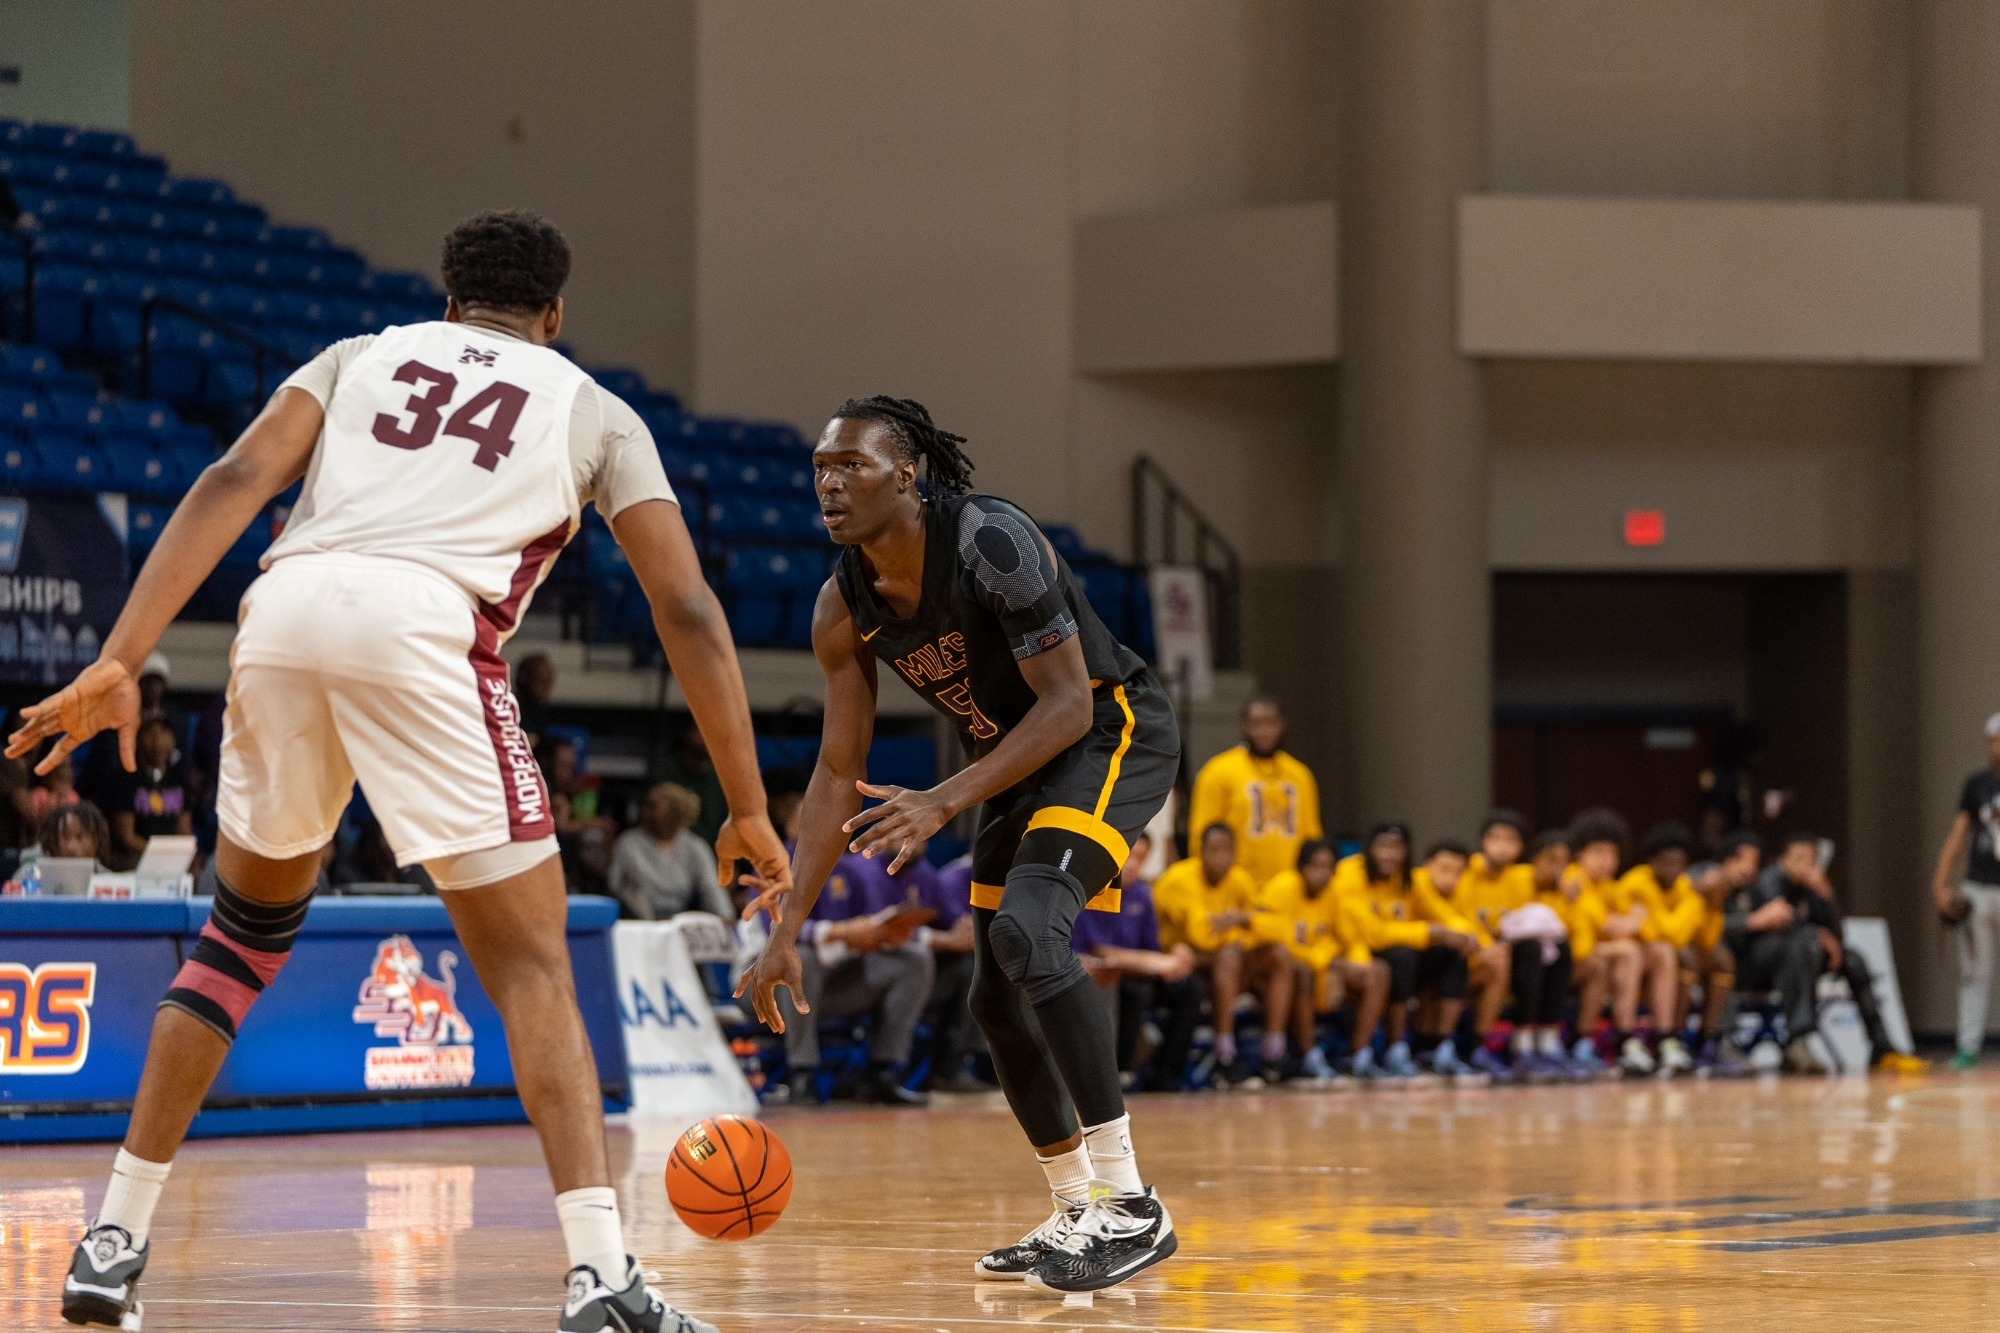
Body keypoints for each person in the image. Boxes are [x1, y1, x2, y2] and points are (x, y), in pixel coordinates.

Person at [10, 210, 789, 1333]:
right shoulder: (597, 410)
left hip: (283, 609)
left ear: (447, 297)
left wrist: (123, 654)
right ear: (555, 314)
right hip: (426, 623)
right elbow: (686, 610)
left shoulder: (360, 355)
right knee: (529, 969)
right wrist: (749, 805)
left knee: (237, 941)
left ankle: (113, 1240)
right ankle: (601, 1277)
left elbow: (234, 476)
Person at [735, 395, 1182, 1294]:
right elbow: (835, 775)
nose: (828, 482)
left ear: (908, 474)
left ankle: (1133, 1204)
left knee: (1030, 934)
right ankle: (1071, 1207)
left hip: (1109, 734)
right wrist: (786, 929)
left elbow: (1069, 706)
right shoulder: (842, 602)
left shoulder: (992, 542)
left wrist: (940, 801)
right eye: (821, 467)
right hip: (1011, 770)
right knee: (993, 998)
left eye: (849, 465)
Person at [771, 849, 936, 1106]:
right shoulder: (774, 861)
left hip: (833, 981)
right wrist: (842, 932)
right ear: (790, 821)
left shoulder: (848, 871)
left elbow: (870, 923)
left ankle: (881, 1073)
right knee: (801, 956)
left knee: (915, 960)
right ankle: (801, 1073)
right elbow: (777, 929)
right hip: (765, 984)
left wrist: (879, 934)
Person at [1154, 823, 1293, 1086]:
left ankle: (1273, 1053)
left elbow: (1277, 929)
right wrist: (1242, 929)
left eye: (1228, 851)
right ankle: (1224, 1054)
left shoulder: (1239, 879)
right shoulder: (1179, 879)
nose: (1222, 858)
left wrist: (1240, 920)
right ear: (1200, 851)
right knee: (1229, 954)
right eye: (1215, 850)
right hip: (1182, 968)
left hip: (1227, 965)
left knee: (1280, 955)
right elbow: (1200, 936)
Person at [1336, 822, 1476, 1078]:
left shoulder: (1409, 878)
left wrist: (1466, 935)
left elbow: (1442, 914)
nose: (1390, 854)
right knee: (1402, 956)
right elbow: (1373, 934)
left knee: (1452, 954)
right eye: (1383, 846)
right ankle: (1394, 1049)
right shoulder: (1350, 873)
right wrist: (1429, 932)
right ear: (1370, 848)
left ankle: (1439, 1046)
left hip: (1404, 954)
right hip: (1359, 955)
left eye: (1397, 848)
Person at [1754, 833, 1902, 1072]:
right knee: (1804, 948)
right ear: (1783, 859)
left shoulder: (1811, 887)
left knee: (1853, 960)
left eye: (1811, 860)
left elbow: (1838, 935)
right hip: (1768, 960)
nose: (1806, 866)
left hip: (1806, 956)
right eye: (1799, 858)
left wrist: (1827, 895)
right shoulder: (1769, 882)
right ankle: (1798, 1040)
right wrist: (1817, 935)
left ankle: (1880, 1045)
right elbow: (1780, 924)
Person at [1073, 832, 1199, 1092]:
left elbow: (1151, 948)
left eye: (1141, 858)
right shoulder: (1095, 889)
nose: (1133, 865)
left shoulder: (1143, 894)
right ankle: (1119, 1071)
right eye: (1129, 856)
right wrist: (1158, 963)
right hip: (1095, 975)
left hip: (1136, 972)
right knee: (1132, 992)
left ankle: (1165, 1074)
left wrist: (1175, 956)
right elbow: (1102, 952)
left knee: (1190, 989)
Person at [1259, 838, 1389, 1082]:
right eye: (1315, 866)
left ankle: (1359, 1056)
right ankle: (1308, 1056)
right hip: (1281, 971)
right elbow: (1273, 939)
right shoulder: (1283, 887)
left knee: (1377, 971)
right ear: (1301, 867)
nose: (1322, 873)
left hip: (1324, 969)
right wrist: (1329, 963)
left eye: (1328, 866)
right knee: (1303, 971)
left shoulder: (1334, 893)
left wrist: (1358, 965)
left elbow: (1350, 938)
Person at [1187, 695, 1322, 887]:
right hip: (1236, 889)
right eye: (1256, 724)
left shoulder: (1301, 775)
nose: (1264, 731)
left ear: (1283, 725)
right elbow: (1201, 838)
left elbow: (1312, 839)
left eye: (1271, 723)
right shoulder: (1217, 771)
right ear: (1244, 726)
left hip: (1289, 891)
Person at [1931, 712, 2000, 1071]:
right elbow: (1958, 837)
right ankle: (1968, 1047)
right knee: (1975, 969)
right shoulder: (1978, 785)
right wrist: (1940, 882)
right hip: (1979, 887)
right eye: (1995, 739)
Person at [1615, 822, 1706, 1077]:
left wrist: (1693, 903)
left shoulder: (1685, 886)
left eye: (1679, 863)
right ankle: (1625, 1041)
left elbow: (1674, 936)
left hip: (1652, 956)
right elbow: (1667, 932)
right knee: (1643, 952)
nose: (1674, 869)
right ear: (1652, 862)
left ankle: (1665, 1038)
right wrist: (1693, 904)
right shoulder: (1636, 883)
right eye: (1667, 862)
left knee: (1666, 953)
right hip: (1620, 955)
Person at [1499, 830, 1579, 1079]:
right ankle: (1521, 1043)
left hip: (1546, 960)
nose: (1557, 868)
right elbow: (1503, 922)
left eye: (1564, 862)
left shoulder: (1567, 890)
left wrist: (1570, 902)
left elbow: (1575, 936)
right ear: (1535, 858)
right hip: (1513, 954)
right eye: (1551, 859)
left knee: (1563, 949)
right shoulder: (1516, 878)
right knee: (1532, 949)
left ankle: (1548, 1040)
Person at [1685, 831, 1763, 1076]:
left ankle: (1711, 1040)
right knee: (1722, 959)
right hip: (1688, 949)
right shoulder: (1703, 876)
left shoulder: (1749, 889)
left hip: (1728, 955)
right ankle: (1712, 1039)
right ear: (1728, 859)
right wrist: (1749, 921)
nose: (1751, 869)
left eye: (1755, 863)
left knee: (1726, 960)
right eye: (1746, 860)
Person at [919, 852, 991, 1092]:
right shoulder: (952, 878)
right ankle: (949, 1068)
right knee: (972, 968)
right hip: (932, 972)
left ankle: (990, 1064)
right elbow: (964, 936)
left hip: (932, 970)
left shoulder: (925, 871)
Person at [609, 782, 728, 921]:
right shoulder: (628, 843)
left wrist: (726, 918)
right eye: (645, 805)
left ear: (674, 812)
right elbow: (615, 886)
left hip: (679, 917)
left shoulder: (695, 847)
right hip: (639, 918)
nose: (644, 812)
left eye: (652, 807)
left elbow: (712, 890)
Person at [103, 717, 194, 869]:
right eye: (150, 733)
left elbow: (184, 831)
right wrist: (161, 855)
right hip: (135, 858)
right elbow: (126, 837)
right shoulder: (125, 778)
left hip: (171, 858)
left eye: (163, 733)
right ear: (138, 739)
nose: (157, 741)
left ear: (172, 739)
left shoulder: (179, 779)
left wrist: (179, 855)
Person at [655, 719, 728, 846]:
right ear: (686, 734)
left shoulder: (723, 779)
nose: (706, 737)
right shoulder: (666, 774)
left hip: (715, 854)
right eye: (700, 731)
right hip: (670, 850)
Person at [39, 801, 112, 865]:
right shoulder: (35, 872)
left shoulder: (110, 879)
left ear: (97, 841)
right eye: (65, 837)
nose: (71, 847)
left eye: (79, 838)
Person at [513, 652, 557, 750]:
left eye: (549, 683)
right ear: (524, 681)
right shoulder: (509, 711)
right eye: (541, 682)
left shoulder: (545, 714)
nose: (546, 689)